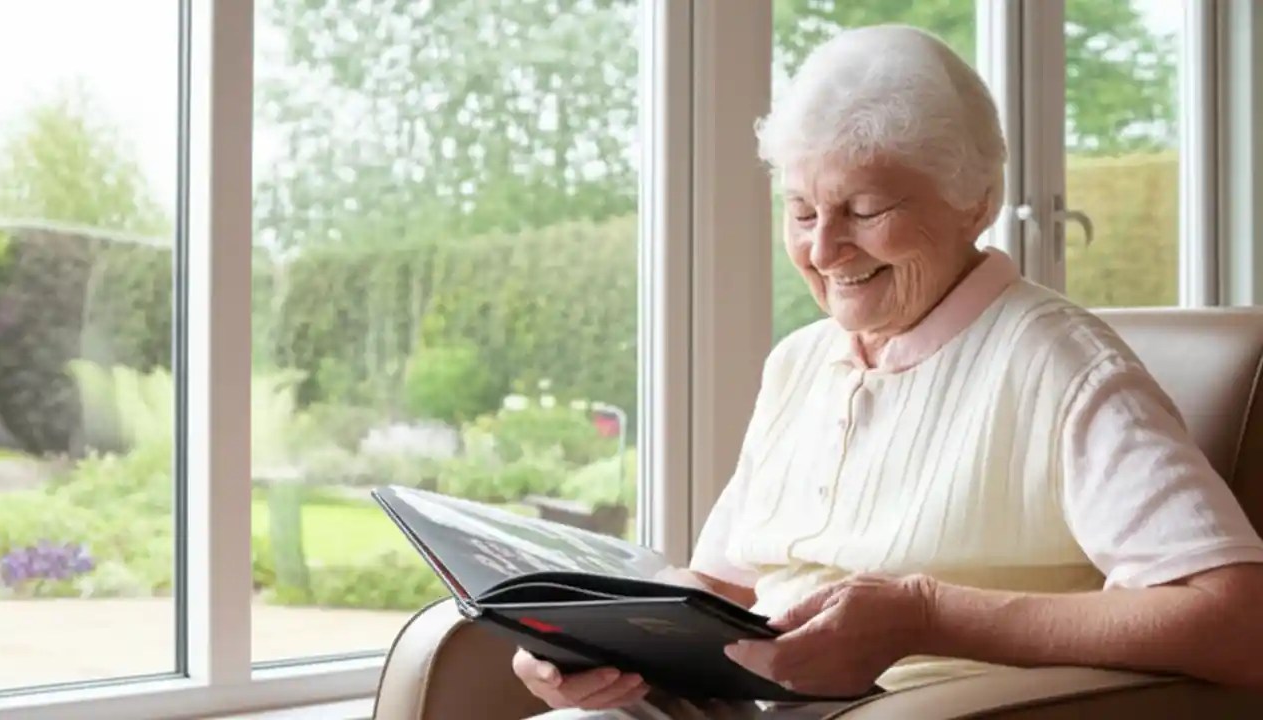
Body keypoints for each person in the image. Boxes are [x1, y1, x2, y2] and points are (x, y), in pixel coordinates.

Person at [513, 24, 1263, 719]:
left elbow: (1239, 618)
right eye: (802, 212)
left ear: (977, 202)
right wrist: (591, 640)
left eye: (865, 210)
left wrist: (928, 615)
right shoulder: (800, 362)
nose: (824, 250)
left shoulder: (1061, 366)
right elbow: (722, 586)